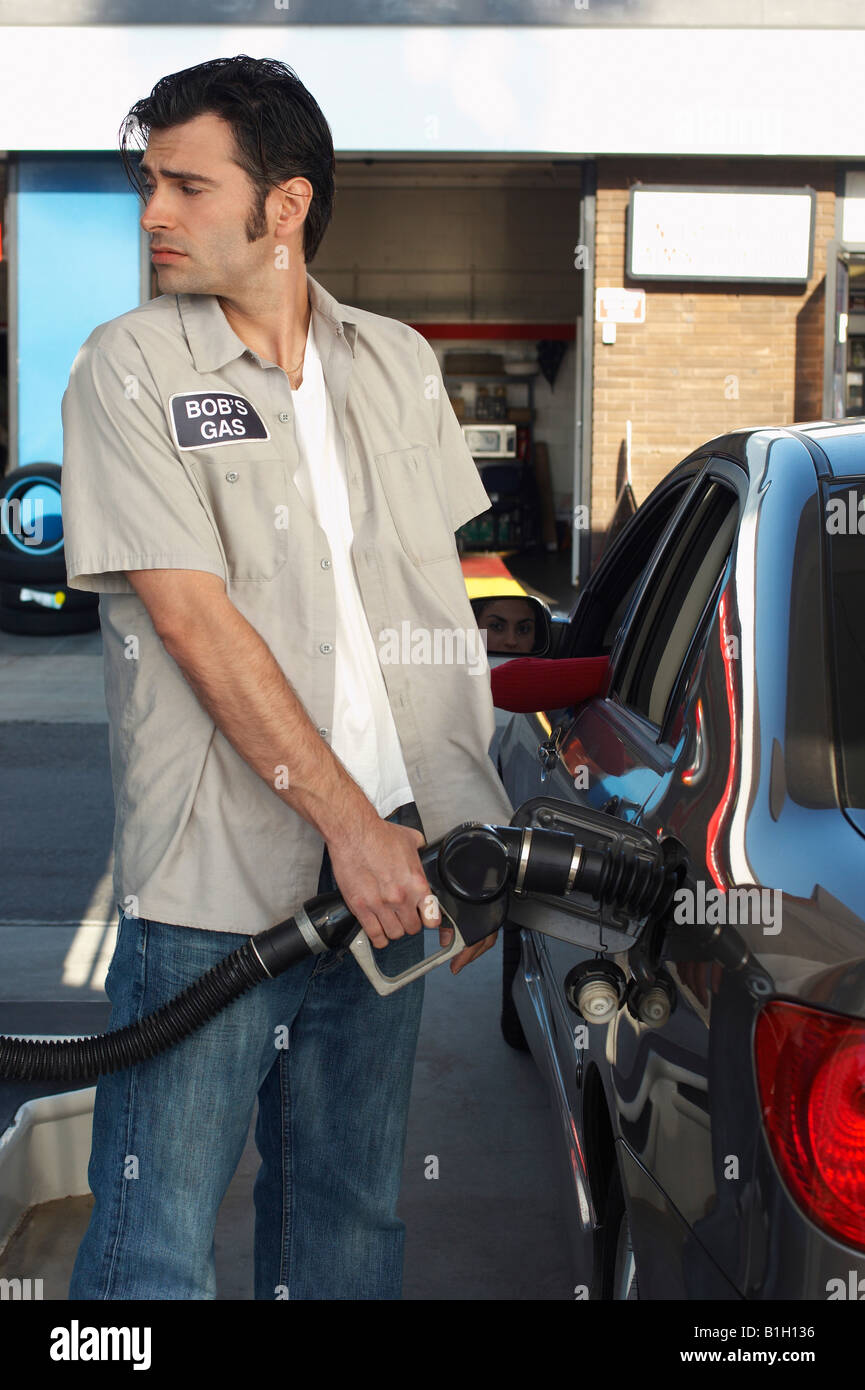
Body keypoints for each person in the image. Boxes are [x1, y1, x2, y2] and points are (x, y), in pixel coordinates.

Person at [59, 54, 513, 1301]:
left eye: (187, 186)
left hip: (397, 869)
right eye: (148, 182)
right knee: (156, 1242)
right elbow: (195, 624)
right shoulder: (130, 369)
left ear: (286, 205)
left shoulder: (399, 363)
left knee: (350, 1221)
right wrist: (351, 831)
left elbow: (436, 611)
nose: (153, 212)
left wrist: (464, 823)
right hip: (216, 886)